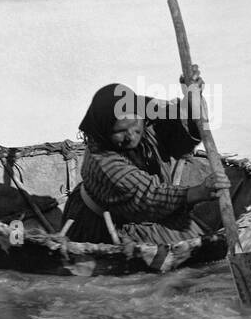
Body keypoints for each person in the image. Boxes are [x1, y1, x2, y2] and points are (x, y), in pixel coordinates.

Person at [62, 81, 228, 245]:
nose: (131, 136)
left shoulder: (145, 115)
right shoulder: (103, 161)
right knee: (188, 252)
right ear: (104, 131)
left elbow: (179, 129)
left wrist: (193, 100)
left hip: (155, 210)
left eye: (135, 125)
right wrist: (199, 192)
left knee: (199, 241)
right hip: (108, 225)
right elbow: (149, 196)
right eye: (120, 131)